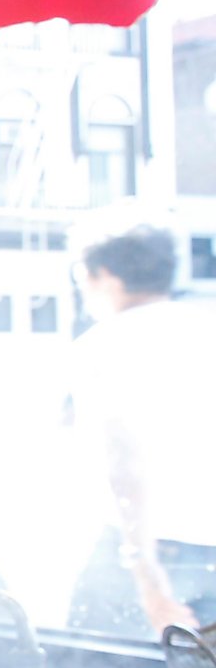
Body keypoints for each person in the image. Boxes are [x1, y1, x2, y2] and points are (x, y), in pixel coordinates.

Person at [66, 221, 216, 637]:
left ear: (106, 278)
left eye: (83, 280)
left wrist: (147, 577)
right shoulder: (208, 329)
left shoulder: (104, 344)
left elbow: (123, 459)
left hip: (147, 551)